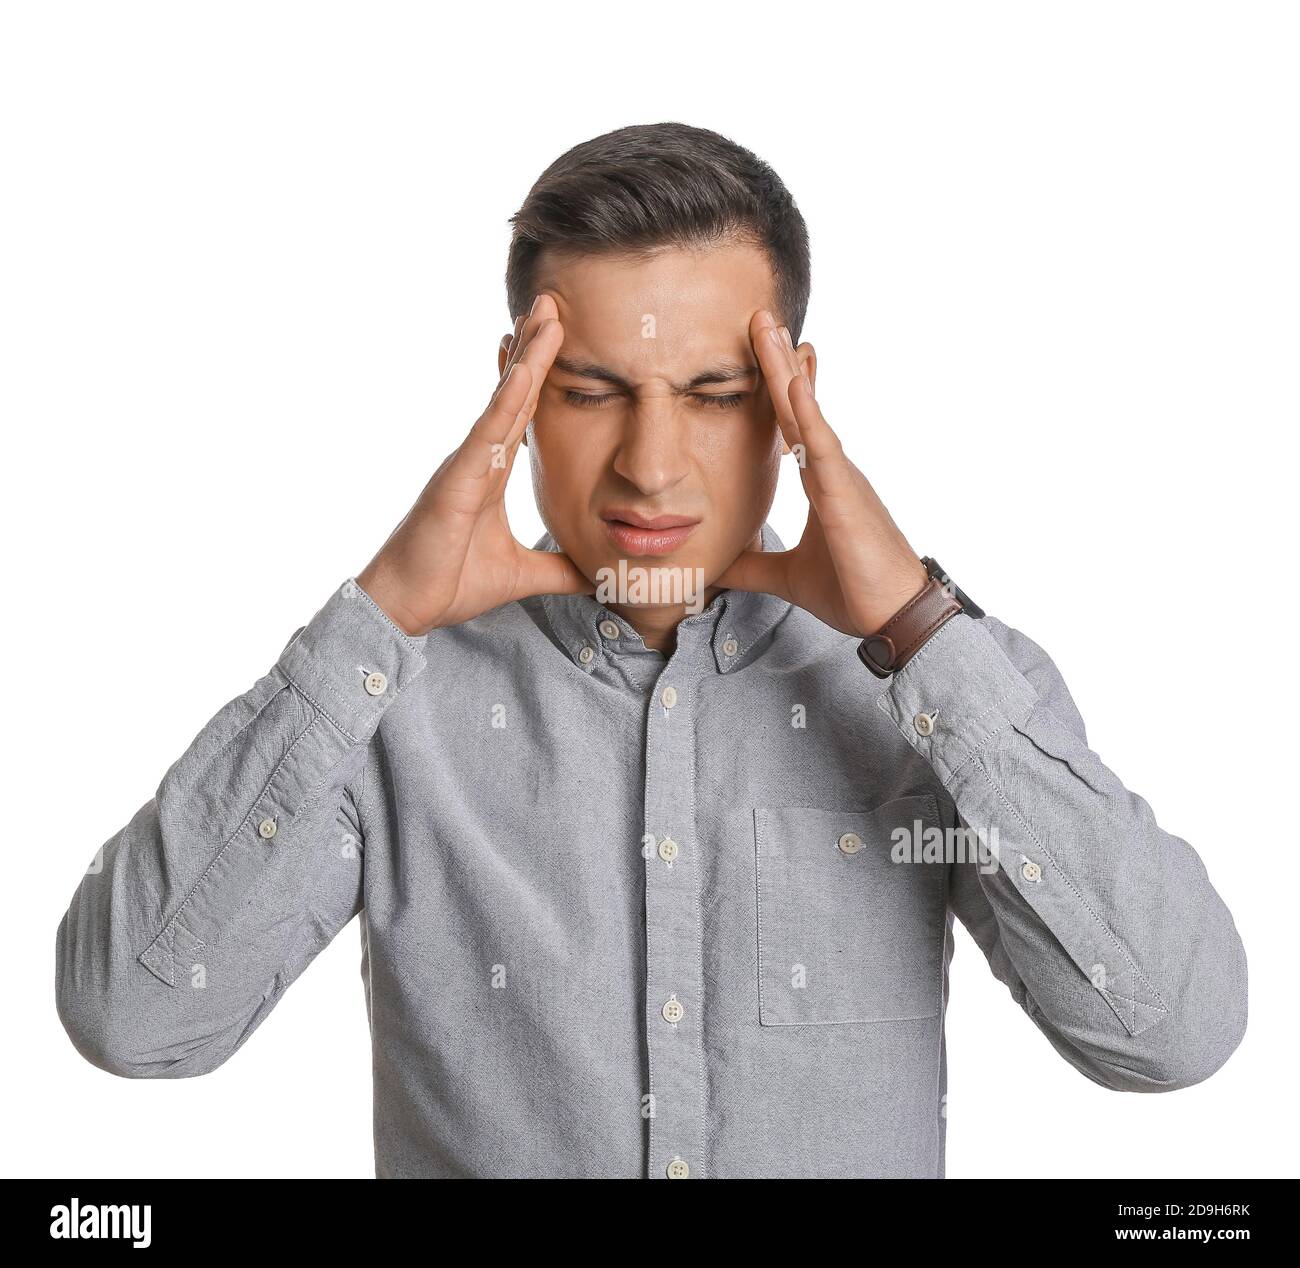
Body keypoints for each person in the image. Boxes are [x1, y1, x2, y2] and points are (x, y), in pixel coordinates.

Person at [55, 122, 1247, 1179]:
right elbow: (133, 1019)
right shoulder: (386, 699)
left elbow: (1171, 1035)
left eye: (716, 392)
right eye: (590, 392)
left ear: (794, 399)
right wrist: (376, 617)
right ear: (516, 391)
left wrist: (916, 632)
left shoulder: (935, 693)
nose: (651, 464)